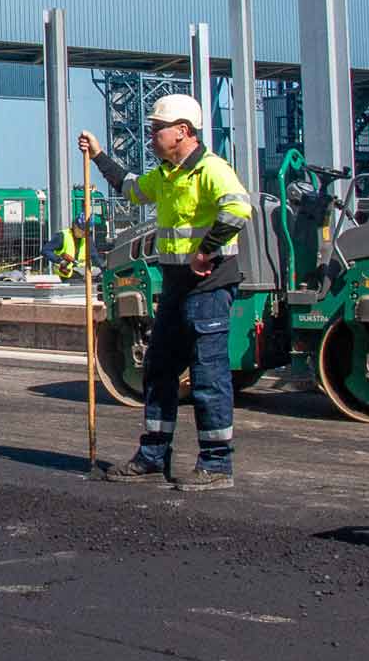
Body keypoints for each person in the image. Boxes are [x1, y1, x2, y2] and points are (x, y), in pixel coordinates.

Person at [79, 94, 252, 492]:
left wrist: (206, 250)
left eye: (157, 129)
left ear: (183, 132)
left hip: (209, 286)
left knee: (208, 375)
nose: (152, 136)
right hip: (175, 286)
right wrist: (100, 157)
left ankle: (216, 463)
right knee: (158, 371)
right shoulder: (168, 175)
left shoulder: (211, 169)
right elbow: (131, 189)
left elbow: (238, 209)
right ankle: (154, 455)